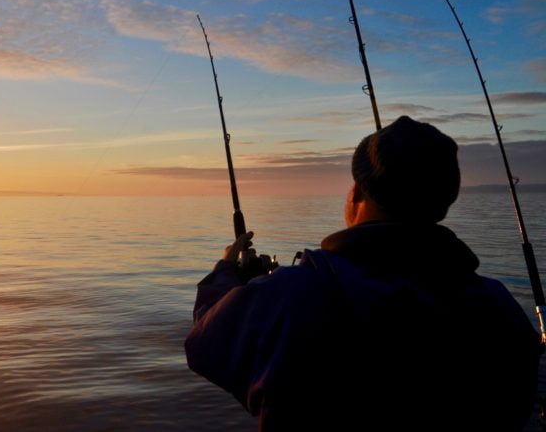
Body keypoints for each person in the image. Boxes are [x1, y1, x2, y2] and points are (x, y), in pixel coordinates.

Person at [185, 116, 542, 431]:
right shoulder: (499, 308)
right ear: (443, 202)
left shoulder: (292, 296)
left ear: (357, 193)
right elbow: (518, 405)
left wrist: (228, 274)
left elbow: (205, 343)